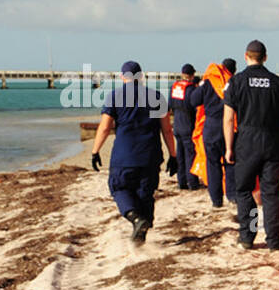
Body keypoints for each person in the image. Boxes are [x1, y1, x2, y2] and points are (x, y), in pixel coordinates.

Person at [90, 60, 178, 245]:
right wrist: (173, 155)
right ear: (141, 77)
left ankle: (136, 219)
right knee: (144, 195)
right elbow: (167, 129)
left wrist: (95, 151)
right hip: (150, 156)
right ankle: (140, 241)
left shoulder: (115, 97)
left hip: (125, 156)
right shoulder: (156, 97)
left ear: (123, 77)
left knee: (120, 188)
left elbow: (105, 127)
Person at [223, 39, 279, 250]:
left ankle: (247, 236)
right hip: (272, 141)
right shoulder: (277, 82)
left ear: (246, 56)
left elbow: (228, 119)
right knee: (271, 192)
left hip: (246, 142)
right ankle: (274, 240)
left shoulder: (236, 82)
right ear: (265, 57)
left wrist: (229, 147)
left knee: (244, 191)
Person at [195, 57, 238, 208]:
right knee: (231, 162)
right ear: (233, 70)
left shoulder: (208, 83)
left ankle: (216, 200)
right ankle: (232, 196)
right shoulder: (235, 83)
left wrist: (200, 85)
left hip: (211, 128)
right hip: (231, 127)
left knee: (212, 164)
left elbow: (193, 100)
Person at [168, 63, 200, 190]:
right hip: (188, 125)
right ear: (192, 75)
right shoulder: (191, 90)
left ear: (182, 74)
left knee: (180, 155)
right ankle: (192, 182)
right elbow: (195, 107)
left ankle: (181, 181)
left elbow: (170, 106)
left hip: (177, 124)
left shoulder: (174, 87)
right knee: (190, 155)